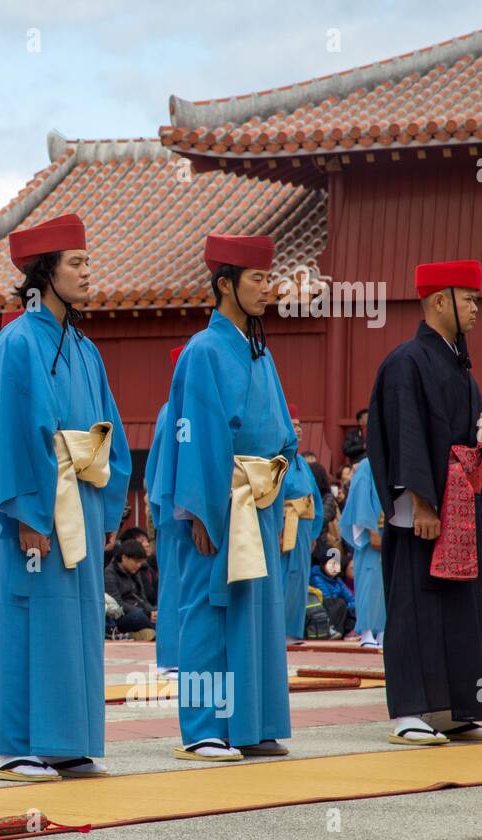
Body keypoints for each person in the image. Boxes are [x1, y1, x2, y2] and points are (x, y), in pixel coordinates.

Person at [0, 213, 131, 782]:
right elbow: (13, 431)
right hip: (38, 508)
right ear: (45, 273)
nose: (88, 273)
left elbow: (107, 430)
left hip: (82, 505)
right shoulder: (16, 342)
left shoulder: (86, 348)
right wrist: (26, 509)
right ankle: (17, 745)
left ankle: (68, 741)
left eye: (87, 261)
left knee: (78, 621)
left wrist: (109, 503)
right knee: (28, 614)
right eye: (77, 263)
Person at [150, 234, 295, 762]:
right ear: (224, 284)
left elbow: (284, 435)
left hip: (258, 499)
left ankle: (249, 723)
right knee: (208, 609)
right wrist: (197, 509)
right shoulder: (203, 351)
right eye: (256, 279)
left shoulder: (261, 353)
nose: (265, 287)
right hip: (217, 499)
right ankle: (203, 728)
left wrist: (278, 481)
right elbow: (193, 435)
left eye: (265, 277)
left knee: (252, 609)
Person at [365, 259, 482, 746]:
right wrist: (420, 501)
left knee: (458, 606)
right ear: (440, 300)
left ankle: (454, 706)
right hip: (422, 509)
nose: (477, 308)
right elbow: (403, 433)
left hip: (457, 506)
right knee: (414, 605)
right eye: (470, 299)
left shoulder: (459, 364)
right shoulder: (406, 361)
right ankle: (410, 710)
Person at [146, 345, 184, 676]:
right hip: (175, 510)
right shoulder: (169, 411)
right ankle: (171, 656)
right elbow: (159, 465)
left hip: (195, 506)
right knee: (174, 582)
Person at [280, 407, 324, 645]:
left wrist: (315, 529)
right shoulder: (278, 459)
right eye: (293, 425)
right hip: (285, 524)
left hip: (304, 525)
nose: (297, 429)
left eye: (299, 425)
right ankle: (279, 631)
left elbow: (314, 497)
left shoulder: (302, 463)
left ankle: (294, 630)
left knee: (300, 576)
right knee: (284, 575)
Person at [339, 457, 387, 648]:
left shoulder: (395, 461)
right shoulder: (368, 465)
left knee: (385, 583)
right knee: (369, 578)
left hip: (391, 529)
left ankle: (382, 631)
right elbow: (361, 499)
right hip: (373, 530)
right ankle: (366, 631)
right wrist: (371, 530)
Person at [105, 539, 156, 640]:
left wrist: (152, 611)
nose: (138, 565)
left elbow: (142, 597)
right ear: (124, 558)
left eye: (140, 562)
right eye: (136, 561)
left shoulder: (134, 572)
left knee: (160, 612)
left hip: (140, 611)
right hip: (121, 617)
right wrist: (146, 613)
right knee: (138, 616)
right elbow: (117, 604)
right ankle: (153, 631)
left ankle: (145, 632)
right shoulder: (109, 574)